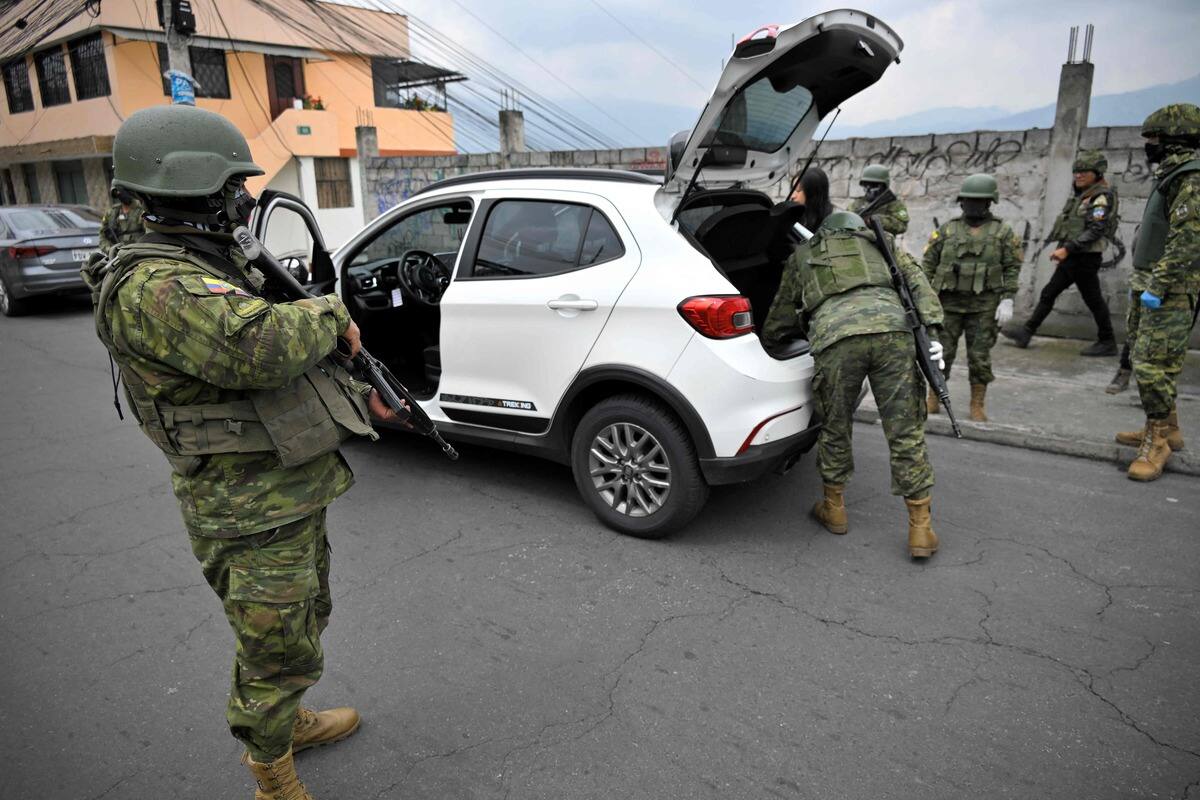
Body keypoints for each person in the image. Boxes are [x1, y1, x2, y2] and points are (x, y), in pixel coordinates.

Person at [81, 106, 399, 799]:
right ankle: (270, 770)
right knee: (273, 643)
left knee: (302, 620)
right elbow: (260, 345)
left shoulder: (192, 262)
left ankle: (284, 724)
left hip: (278, 486)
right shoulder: (154, 284)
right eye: (229, 189)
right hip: (244, 505)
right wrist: (332, 315)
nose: (242, 202)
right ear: (187, 192)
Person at [761, 210, 945, 559]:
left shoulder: (803, 254)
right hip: (893, 332)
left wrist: (769, 342)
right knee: (905, 430)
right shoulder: (882, 243)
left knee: (836, 424)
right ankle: (920, 529)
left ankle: (835, 509)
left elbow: (782, 314)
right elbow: (918, 283)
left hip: (835, 339)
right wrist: (933, 331)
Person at [1116, 103, 1200, 480]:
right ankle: (1166, 427)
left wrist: (1159, 284)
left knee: (1153, 366)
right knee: (1147, 359)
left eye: (1153, 139)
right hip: (1151, 281)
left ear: (1174, 139)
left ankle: (1158, 442)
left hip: (1169, 287)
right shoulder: (1174, 174)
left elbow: (1189, 240)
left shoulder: (1192, 177)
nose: (1148, 145)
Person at [920, 173, 1023, 422]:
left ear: (989, 203)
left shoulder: (1002, 232)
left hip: (984, 306)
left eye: (979, 201)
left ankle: (977, 403)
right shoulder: (947, 230)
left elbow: (1012, 266)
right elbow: (928, 265)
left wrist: (1007, 298)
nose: (973, 206)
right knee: (940, 355)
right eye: (968, 201)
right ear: (961, 202)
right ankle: (934, 397)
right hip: (948, 305)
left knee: (979, 358)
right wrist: (925, 298)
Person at [1005, 150, 1119, 355]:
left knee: (1091, 298)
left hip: (1084, 257)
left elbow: (1096, 229)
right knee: (1051, 292)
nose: (1079, 175)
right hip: (1076, 255)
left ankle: (1108, 341)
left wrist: (1067, 248)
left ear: (1098, 173)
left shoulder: (1101, 197)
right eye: (1076, 171)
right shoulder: (1084, 195)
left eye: (1084, 172)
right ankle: (1027, 332)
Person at [850, 164, 910, 235]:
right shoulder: (857, 204)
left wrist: (874, 220)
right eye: (866, 184)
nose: (868, 188)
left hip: (882, 243)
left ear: (883, 186)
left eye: (873, 185)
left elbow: (902, 226)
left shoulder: (895, 205)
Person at [98, 185, 144, 254]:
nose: (121, 194)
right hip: (119, 254)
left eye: (123, 191)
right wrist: (110, 250)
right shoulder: (112, 213)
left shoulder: (141, 210)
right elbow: (103, 236)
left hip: (139, 251)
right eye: (118, 192)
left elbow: (149, 233)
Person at [789, 165, 833, 233]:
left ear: (813, 193)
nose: (792, 196)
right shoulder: (790, 219)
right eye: (793, 189)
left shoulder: (830, 227)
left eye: (798, 190)